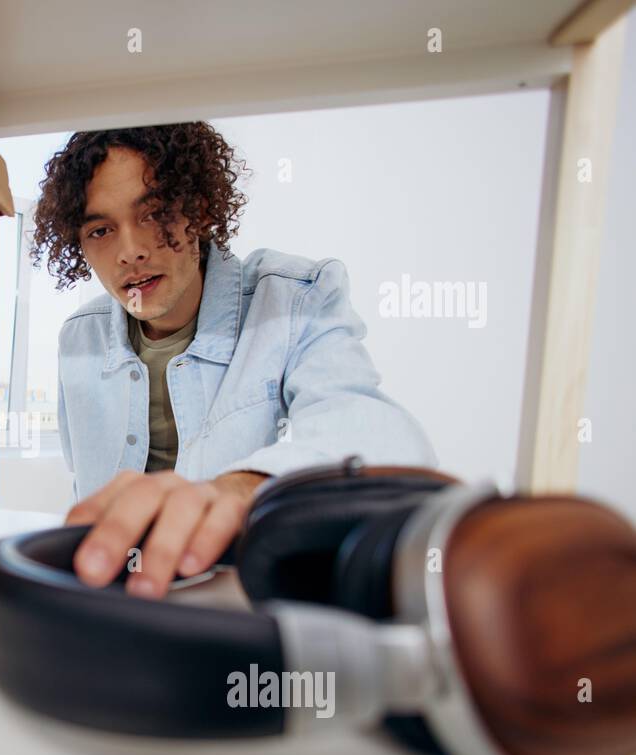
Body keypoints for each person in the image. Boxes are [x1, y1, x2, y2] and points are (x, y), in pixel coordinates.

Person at [29, 122, 435, 599]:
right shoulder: (79, 337)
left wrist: (242, 489)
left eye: (154, 213)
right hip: (113, 599)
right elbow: (84, 483)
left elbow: (379, 434)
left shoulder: (293, 300)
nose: (131, 251)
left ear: (198, 209)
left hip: (239, 597)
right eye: (101, 229)